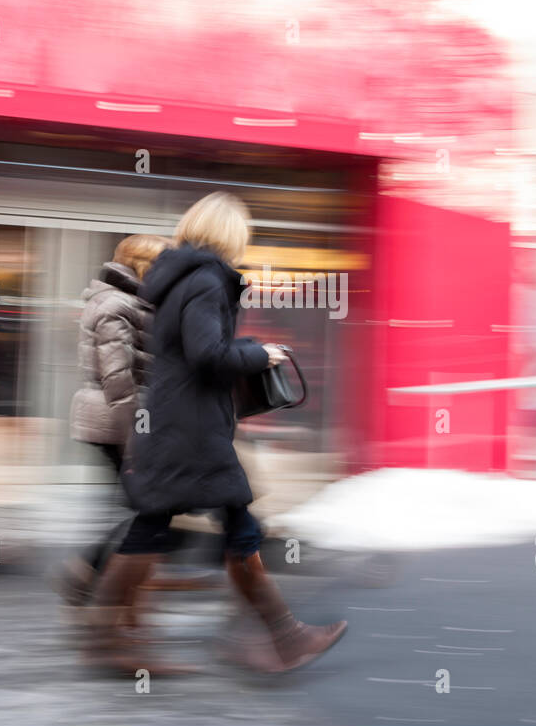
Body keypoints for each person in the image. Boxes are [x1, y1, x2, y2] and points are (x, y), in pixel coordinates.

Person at [87, 192, 348, 674]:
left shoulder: (179, 278)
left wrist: (244, 348)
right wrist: (258, 354)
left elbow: (193, 350)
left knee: (201, 523)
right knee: (180, 525)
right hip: (192, 430)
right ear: (231, 235)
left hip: (181, 424)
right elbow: (207, 353)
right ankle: (281, 637)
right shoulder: (207, 280)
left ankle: (108, 639)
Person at [57, 233, 170, 603]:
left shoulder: (131, 301)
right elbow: (118, 379)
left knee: (131, 504)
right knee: (144, 506)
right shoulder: (115, 304)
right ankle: (93, 577)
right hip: (115, 420)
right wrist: (135, 435)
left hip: (117, 418)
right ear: (144, 264)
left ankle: (94, 575)